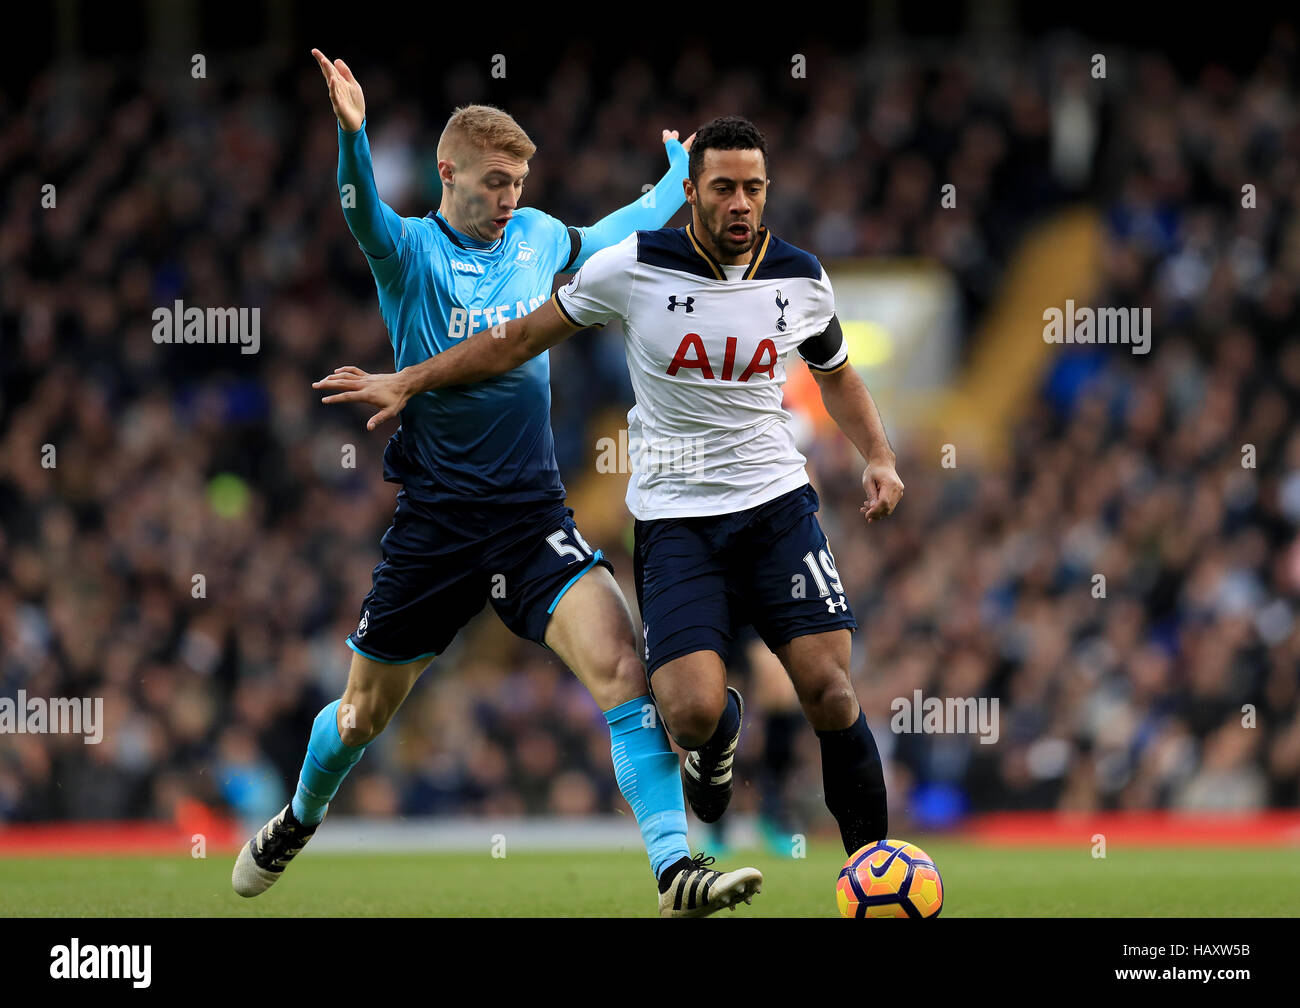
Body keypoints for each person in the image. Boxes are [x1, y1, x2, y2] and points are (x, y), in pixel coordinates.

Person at [233, 52, 762, 919]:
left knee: (624, 670)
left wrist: (675, 178)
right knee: (363, 718)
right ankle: (299, 816)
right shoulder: (408, 253)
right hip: (435, 526)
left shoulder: (540, 237)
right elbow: (361, 212)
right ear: (448, 175)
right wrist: (353, 136)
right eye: (495, 182)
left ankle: (677, 871)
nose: (510, 197)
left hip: (531, 517)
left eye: (519, 181)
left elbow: (619, 230)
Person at [314, 115, 902, 860]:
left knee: (828, 688)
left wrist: (878, 455)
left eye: (754, 188)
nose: (741, 205)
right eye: (723, 188)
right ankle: (712, 744)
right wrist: (411, 378)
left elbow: (837, 369)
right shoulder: (631, 268)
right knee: (687, 712)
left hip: (775, 506)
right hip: (676, 516)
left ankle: (871, 869)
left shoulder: (799, 277)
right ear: (694, 193)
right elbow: (515, 338)